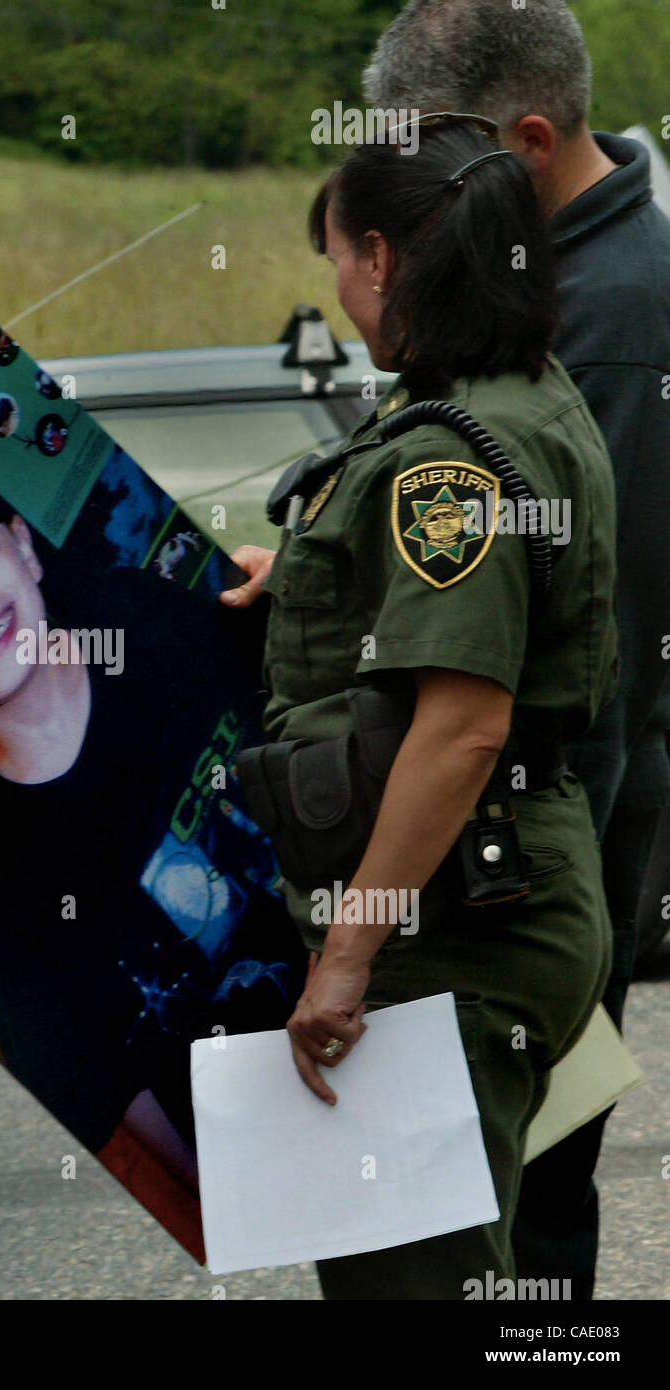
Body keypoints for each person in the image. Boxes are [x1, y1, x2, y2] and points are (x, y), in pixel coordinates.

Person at [223, 117, 617, 1298]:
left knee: (411, 1288)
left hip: (451, 924)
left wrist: (348, 955)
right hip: (503, 889)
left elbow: (461, 724)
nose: (338, 290)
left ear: (385, 260)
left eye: (340, 259)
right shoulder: (522, 397)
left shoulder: (446, 459)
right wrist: (299, 580)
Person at [362, 0, 670, 1300]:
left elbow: (594, 674)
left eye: (429, 162)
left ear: (528, 140)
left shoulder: (608, 323)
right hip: (519, 855)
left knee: (510, 1232)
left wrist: (538, 927)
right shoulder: (535, 278)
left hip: (534, 861)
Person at [0, 445, 301, 1187]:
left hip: (396, 989)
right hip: (290, 1136)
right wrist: (250, 1197)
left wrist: (297, 598)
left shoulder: (146, 618)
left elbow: (312, 710)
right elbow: (123, 1102)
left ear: (21, 546)